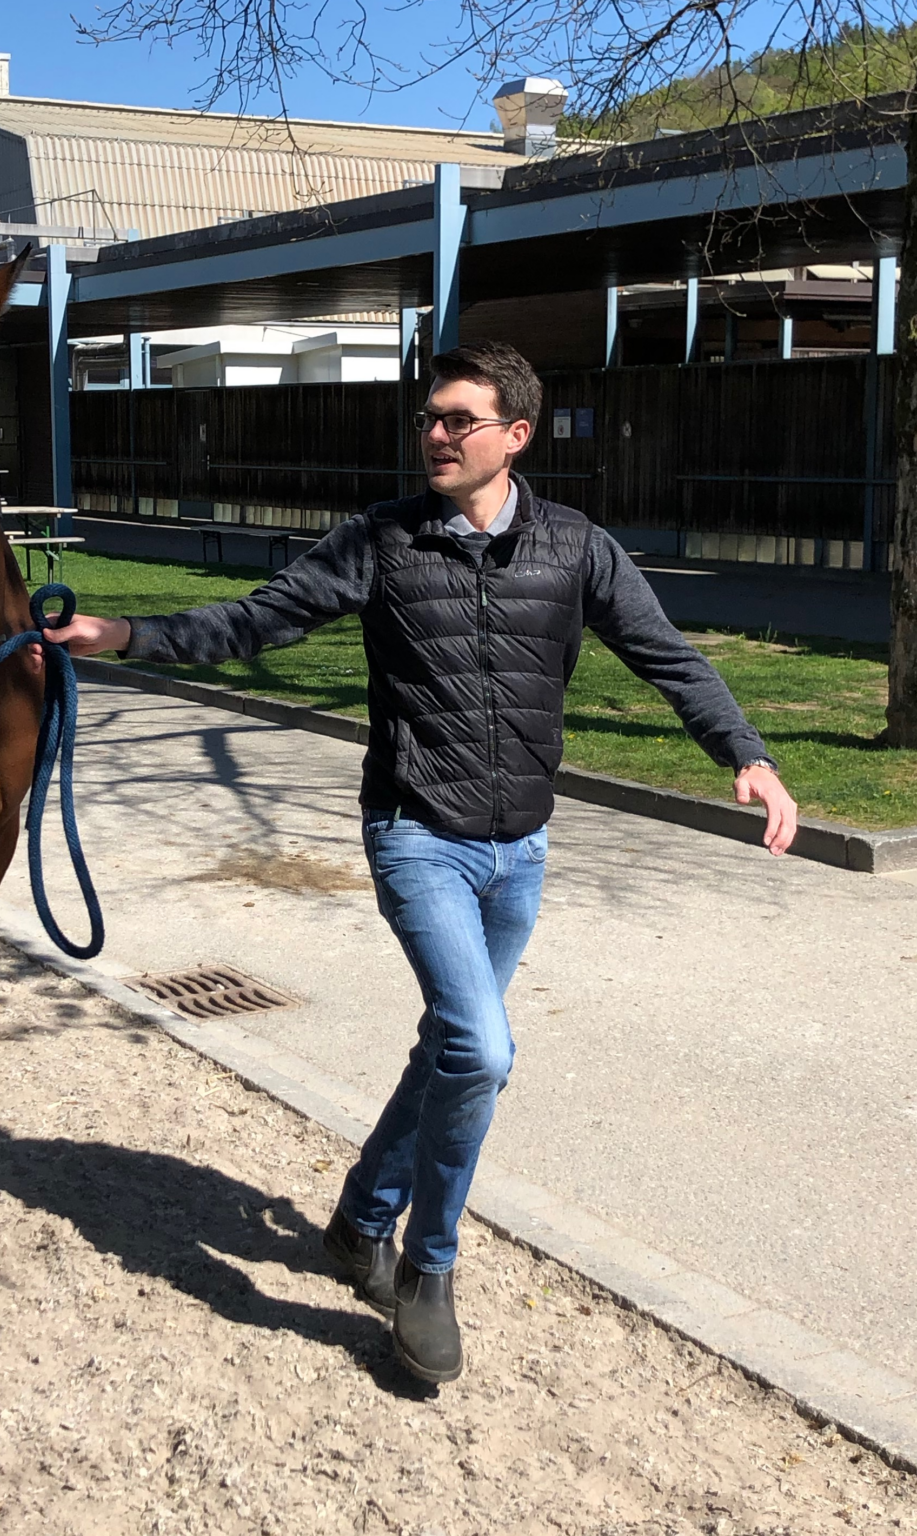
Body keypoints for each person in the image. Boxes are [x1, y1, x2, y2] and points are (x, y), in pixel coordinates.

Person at [41, 341, 798, 1385]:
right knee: (480, 1051)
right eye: (429, 417)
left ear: (514, 437)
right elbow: (257, 619)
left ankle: (358, 1221)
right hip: (415, 833)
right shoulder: (384, 541)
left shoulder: (575, 547)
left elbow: (667, 655)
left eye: (457, 419)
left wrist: (745, 755)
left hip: (519, 847)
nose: (433, 434)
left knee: (448, 1048)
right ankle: (426, 1270)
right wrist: (121, 632)